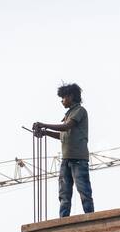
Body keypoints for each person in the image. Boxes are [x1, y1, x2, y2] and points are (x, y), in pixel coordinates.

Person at [33, 83, 93, 217]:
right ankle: (63, 221)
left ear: (71, 96)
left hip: (78, 159)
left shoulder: (79, 111)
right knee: (64, 194)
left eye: (63, 98)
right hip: (66, 159)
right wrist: (45, 132)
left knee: (84, 192)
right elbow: (63, 134)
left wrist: (44, 125)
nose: (62, 101)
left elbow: (66, 127)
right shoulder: (69, 114)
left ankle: (91, 218)